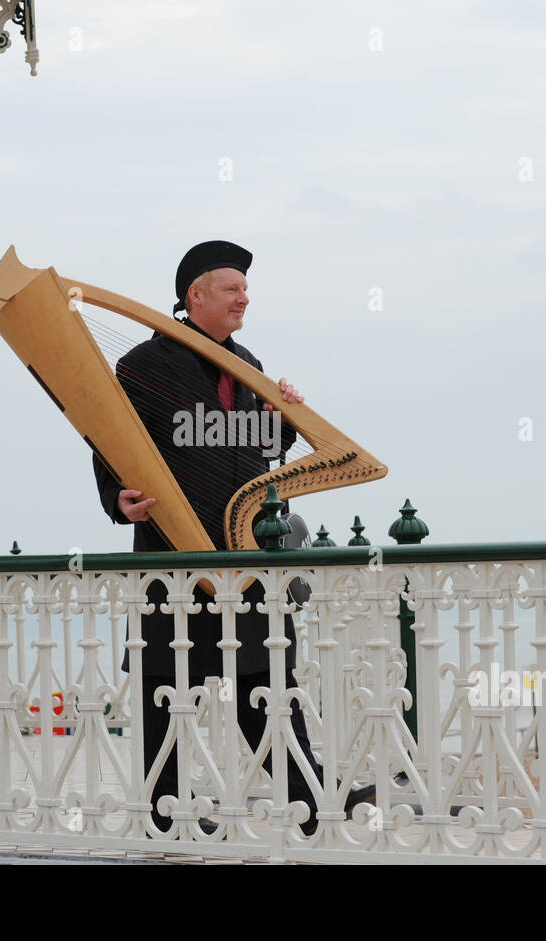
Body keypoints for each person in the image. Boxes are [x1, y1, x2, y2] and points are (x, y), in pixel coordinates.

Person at [93, 240, 362, 836]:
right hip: (175, 553)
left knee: (266, 685)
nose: (245, 297)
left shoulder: (252, 367)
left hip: (246, 555)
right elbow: (109, 436)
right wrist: (118, 496)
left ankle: (309, 798)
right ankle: (165, 812)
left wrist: (287, 419)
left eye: (245, 288)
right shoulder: (142, 364)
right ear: (196, 295)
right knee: (165, 686)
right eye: (232, 288)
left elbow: (264, 458)